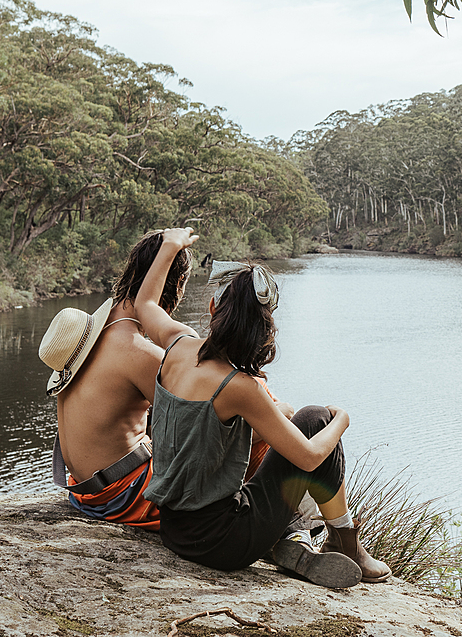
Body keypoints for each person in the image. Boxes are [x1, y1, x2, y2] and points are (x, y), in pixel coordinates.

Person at [132, 227, 390, 587]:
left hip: (175, 530)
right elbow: (311, 457)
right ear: (263, 326)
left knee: (293, 423)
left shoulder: (176, 345)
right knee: (317, 419)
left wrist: (171, 247)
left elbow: (145, 303)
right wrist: (342, 419)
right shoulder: (239, 387)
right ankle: (347, 543)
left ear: (212, 308)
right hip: (222, 543)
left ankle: (303, 538)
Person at [37, 230, 285, 529]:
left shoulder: (93, 332)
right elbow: (206, 432)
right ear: (177, 286)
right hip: (121, 498)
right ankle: (288, 531)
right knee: (267, 430)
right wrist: (271, 412)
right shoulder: (140, 353)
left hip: (82, 491)